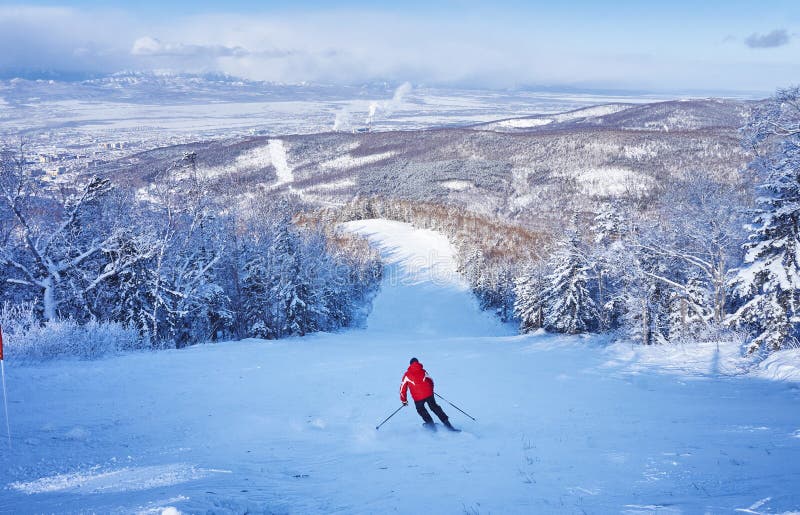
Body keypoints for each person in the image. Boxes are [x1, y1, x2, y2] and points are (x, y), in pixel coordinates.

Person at [399, 357, 458, 431]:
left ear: (410, 364)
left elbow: (402, 389)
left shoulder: (407, 375)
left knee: (421, 410)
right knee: (435, 407)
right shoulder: (423, 371)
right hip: (429, 394)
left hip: (418, 398)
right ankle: (448, 424)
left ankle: (431, 426)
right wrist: (431, 390)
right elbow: (431, 381)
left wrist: (404, 401)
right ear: (418, 363)